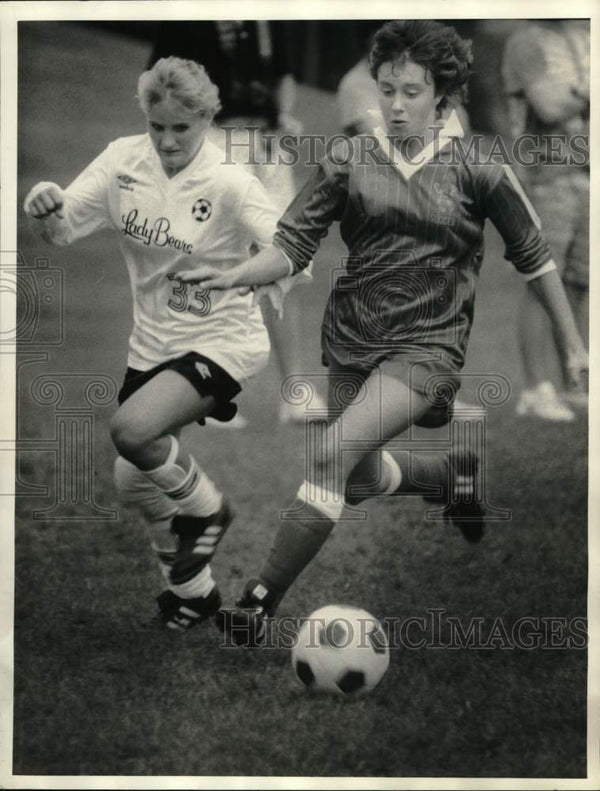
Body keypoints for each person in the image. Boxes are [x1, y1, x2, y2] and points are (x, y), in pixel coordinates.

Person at [178, 20, 588, 645]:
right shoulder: (348, 160)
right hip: (350, 340)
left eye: (411, 92)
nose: (394, 105)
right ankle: (449, 474)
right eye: (387, 89)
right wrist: (235, 274)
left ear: (443, 97)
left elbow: (535, 257)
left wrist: (576, 347)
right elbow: (290, 246)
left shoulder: (479, 166)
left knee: (327, 453)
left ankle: (257, 603)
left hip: (428, 348)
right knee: (360, 477)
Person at [23, 57, 294, 631]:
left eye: (182, 128)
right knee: (133, 477)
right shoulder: (124, 161)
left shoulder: (229, 180)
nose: (168, 141)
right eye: (158, 127)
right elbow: (64, 225)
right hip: (152, 344)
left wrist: (236, 276)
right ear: (146, 120)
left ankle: (207, 510)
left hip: (224, 340)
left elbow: (290, 251)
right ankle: (194, 593)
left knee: (130, 431)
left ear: (205, 121)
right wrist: (44, 203)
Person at [149, 21, 325, 426]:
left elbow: (284, 74)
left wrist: (283, 113)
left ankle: (294, 394)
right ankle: (205, 395)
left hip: (265, 141)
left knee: (283, 258)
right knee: (214, 260)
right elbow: (160, 85)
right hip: (212, 139)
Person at [502, 20, 590, 421]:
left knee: (577, 283)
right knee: (542, 283)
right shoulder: (526, 41)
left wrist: (577, 95)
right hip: (543, 176)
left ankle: (573, 384)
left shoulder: (581, 36)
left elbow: (565, 100)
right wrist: (584, 94)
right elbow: (548, 106)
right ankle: (536, 389)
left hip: (587, 174)